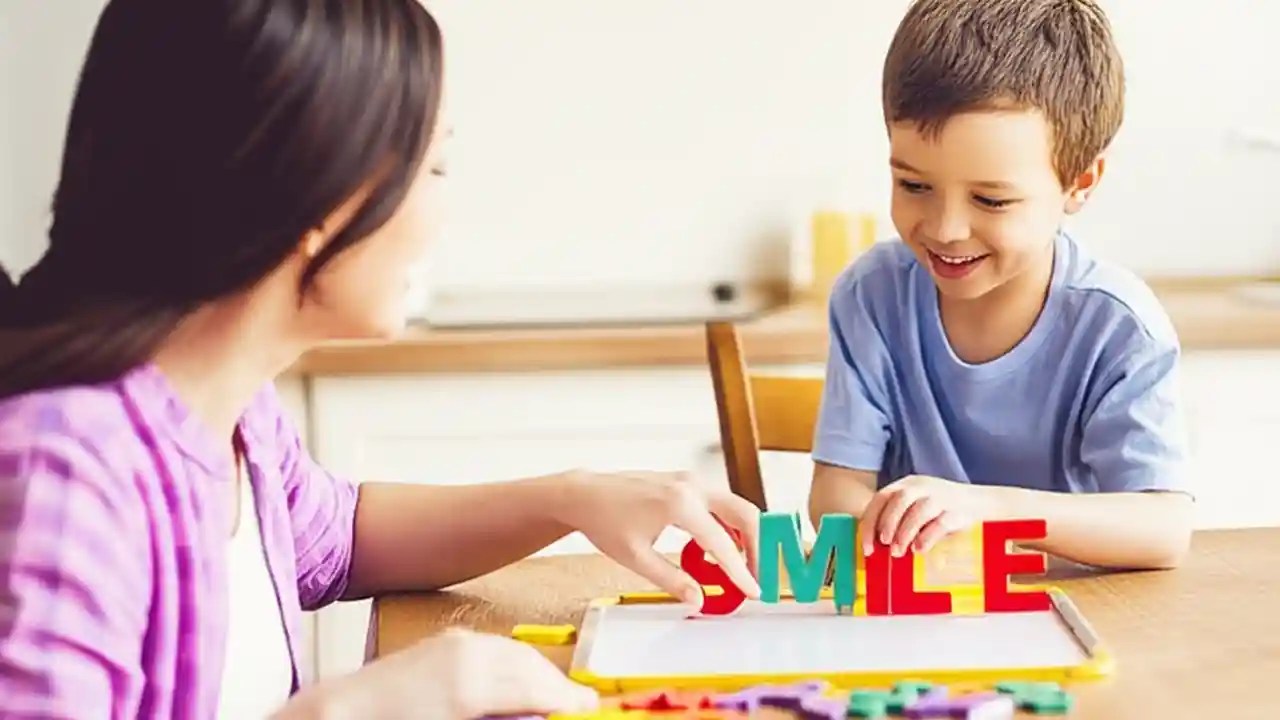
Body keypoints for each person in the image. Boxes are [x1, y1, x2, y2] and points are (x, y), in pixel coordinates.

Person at [0, 1, 762, 718]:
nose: (440, 214)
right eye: (432, 168)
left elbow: (339, 537)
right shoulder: (68, 469)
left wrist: (570, 498)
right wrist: (352, 705)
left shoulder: (229, 412)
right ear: (315, 195)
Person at [807, 0, 1194, 571]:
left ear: (1079, 183)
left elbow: (1161, 530)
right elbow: (834, 498)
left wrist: (984, 510)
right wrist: (884, 528)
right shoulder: (871, 298)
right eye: (914, 185)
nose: (944, 229)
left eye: (991, 200)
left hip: (1074, 618)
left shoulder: (1118, 326)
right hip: (920, 627)